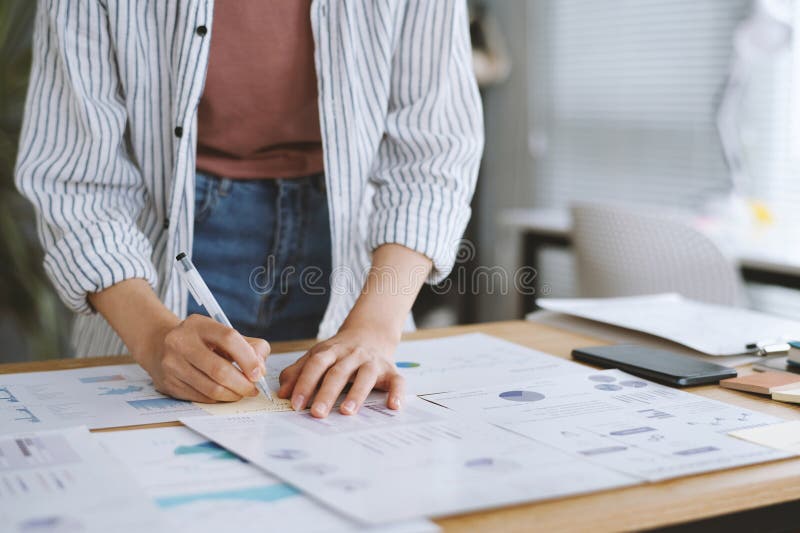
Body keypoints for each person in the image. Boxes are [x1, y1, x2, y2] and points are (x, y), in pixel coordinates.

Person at [15, 0, 482, 418]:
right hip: (157, 260)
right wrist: (155, 338)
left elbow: (433, 154)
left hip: (357, 263)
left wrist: (376, 327)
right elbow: (75, 179)